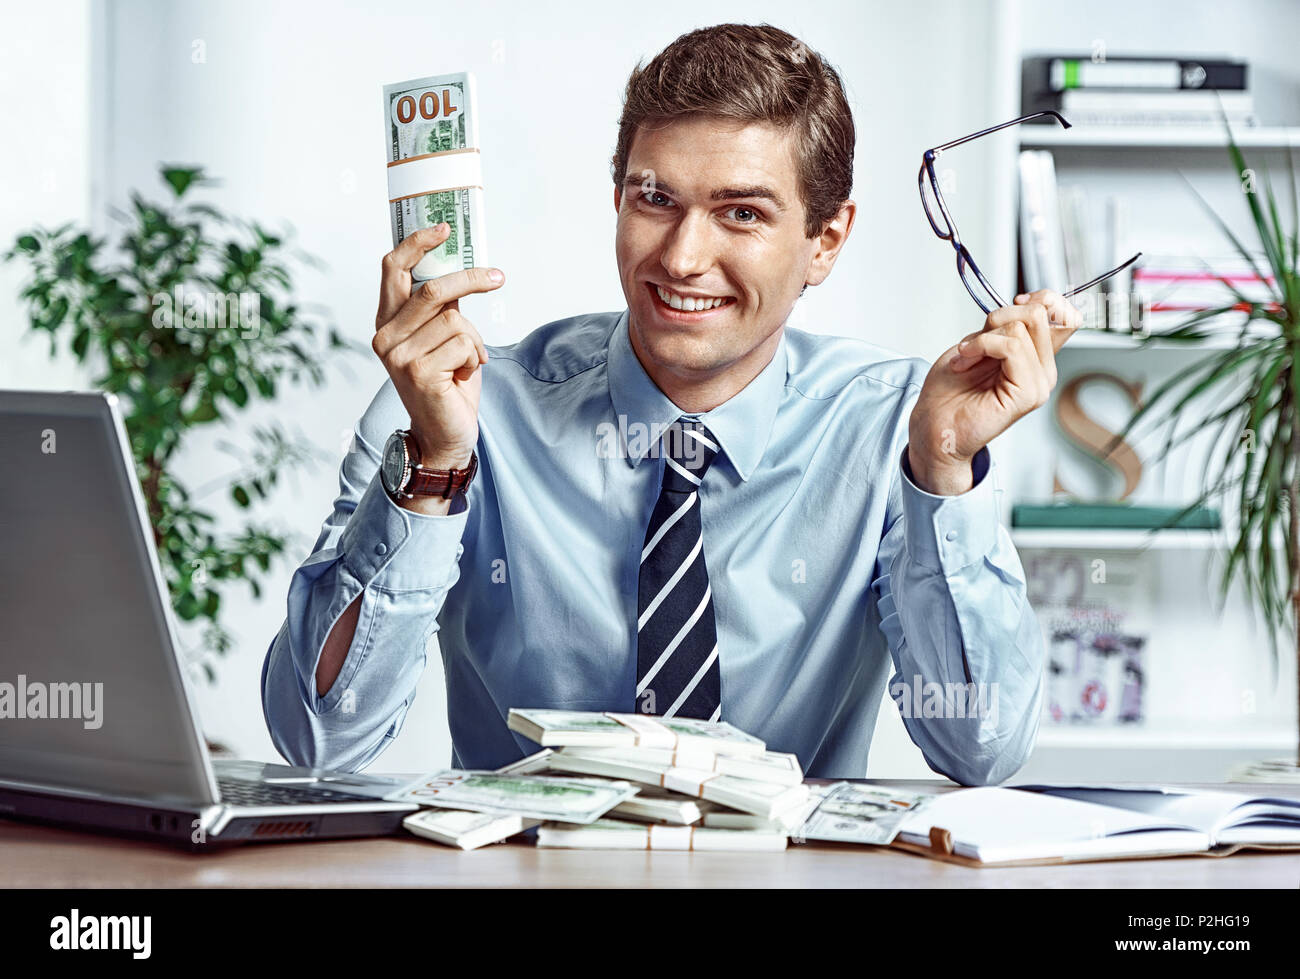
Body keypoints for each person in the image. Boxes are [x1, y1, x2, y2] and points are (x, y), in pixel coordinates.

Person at [261, 23, 1080, 785]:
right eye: (656, 200)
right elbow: (318, 738)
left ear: (825, 240)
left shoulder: (894, 427)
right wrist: (434, 472)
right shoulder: (452, 406)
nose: (684, 257)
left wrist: (941, 471)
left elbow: (981, 748)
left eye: (743, 213)